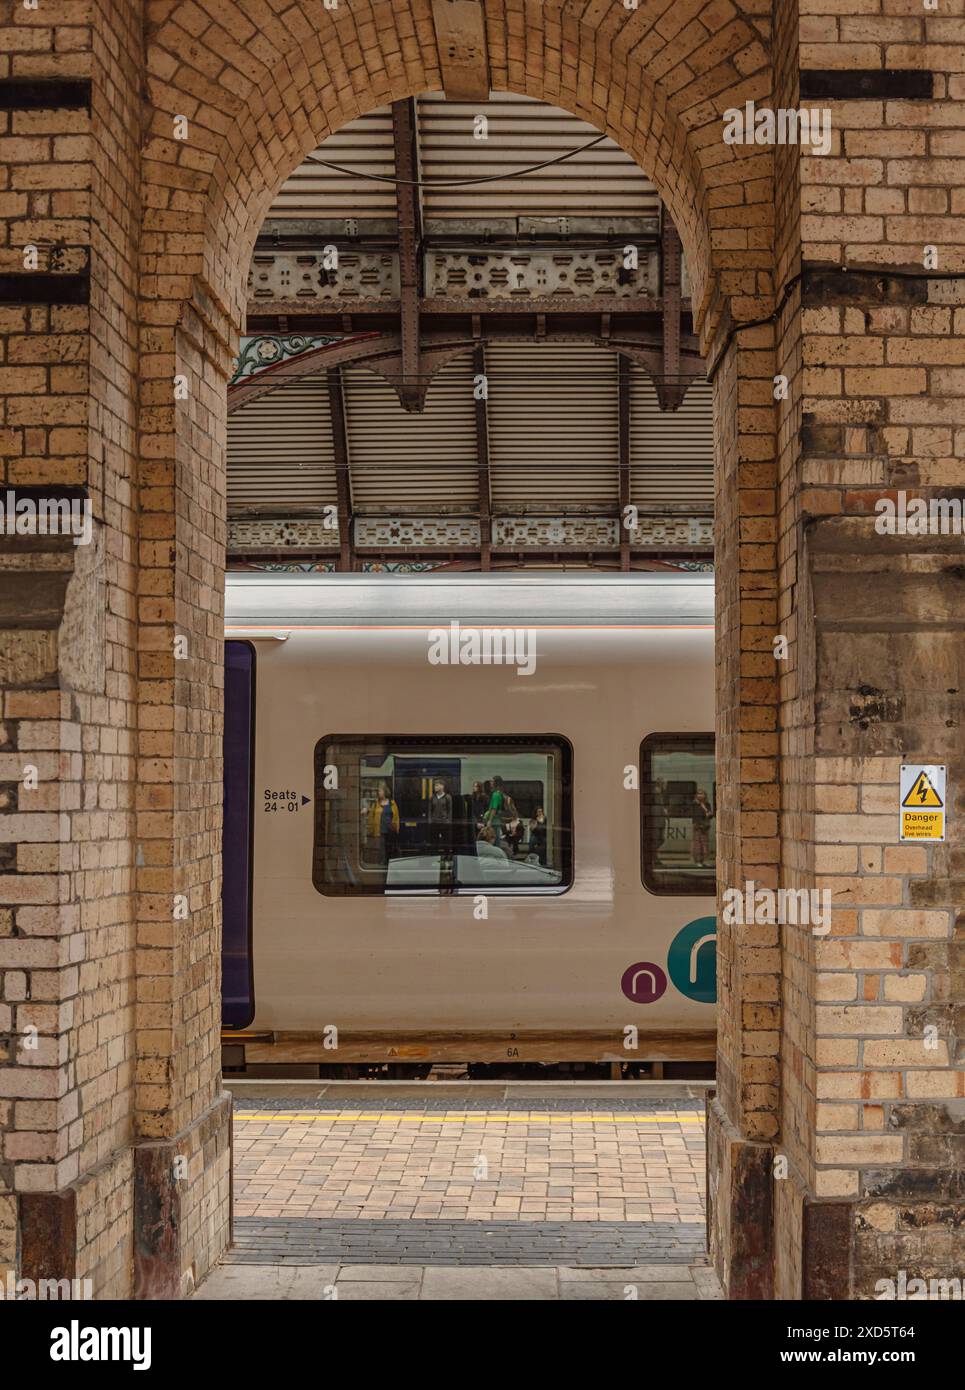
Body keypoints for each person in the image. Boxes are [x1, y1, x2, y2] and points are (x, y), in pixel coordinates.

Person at [376, 780, 400, 867]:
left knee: (390, 847)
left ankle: (390, 862)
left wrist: (396, 828)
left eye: (380, 791)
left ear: (385, 792)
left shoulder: (392, 803)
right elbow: (372, 814)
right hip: (381, 829)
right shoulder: (377, 803)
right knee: (382, 848)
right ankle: (383, 863)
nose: (379, 792)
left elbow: (396, 816)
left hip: (390, 829)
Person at [691, 788, 714, 868]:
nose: (700, 795)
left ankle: (703, 860)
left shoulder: (707, 804)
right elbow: (695, 815)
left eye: (702, 793)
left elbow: (711, 815)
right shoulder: (695, 804)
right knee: (698, 844)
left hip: (705, 826)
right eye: (699, 793)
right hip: (698, 826)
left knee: (705, 844)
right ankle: (697, 860)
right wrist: (705, 815)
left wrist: (710, 814)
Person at [427, 778, 452, 852]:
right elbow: (429, 810)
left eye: (437, 785)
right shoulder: (432, 797)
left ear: (442, 786)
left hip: (444, 823)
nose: (435, 787)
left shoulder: (448, 797)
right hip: (434, 823)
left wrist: (448, 821)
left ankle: (446, 857)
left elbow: (450, 810)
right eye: (434, 786)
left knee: (446, 842)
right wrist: (430, 820)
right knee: (434, 842)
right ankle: (434, 857)